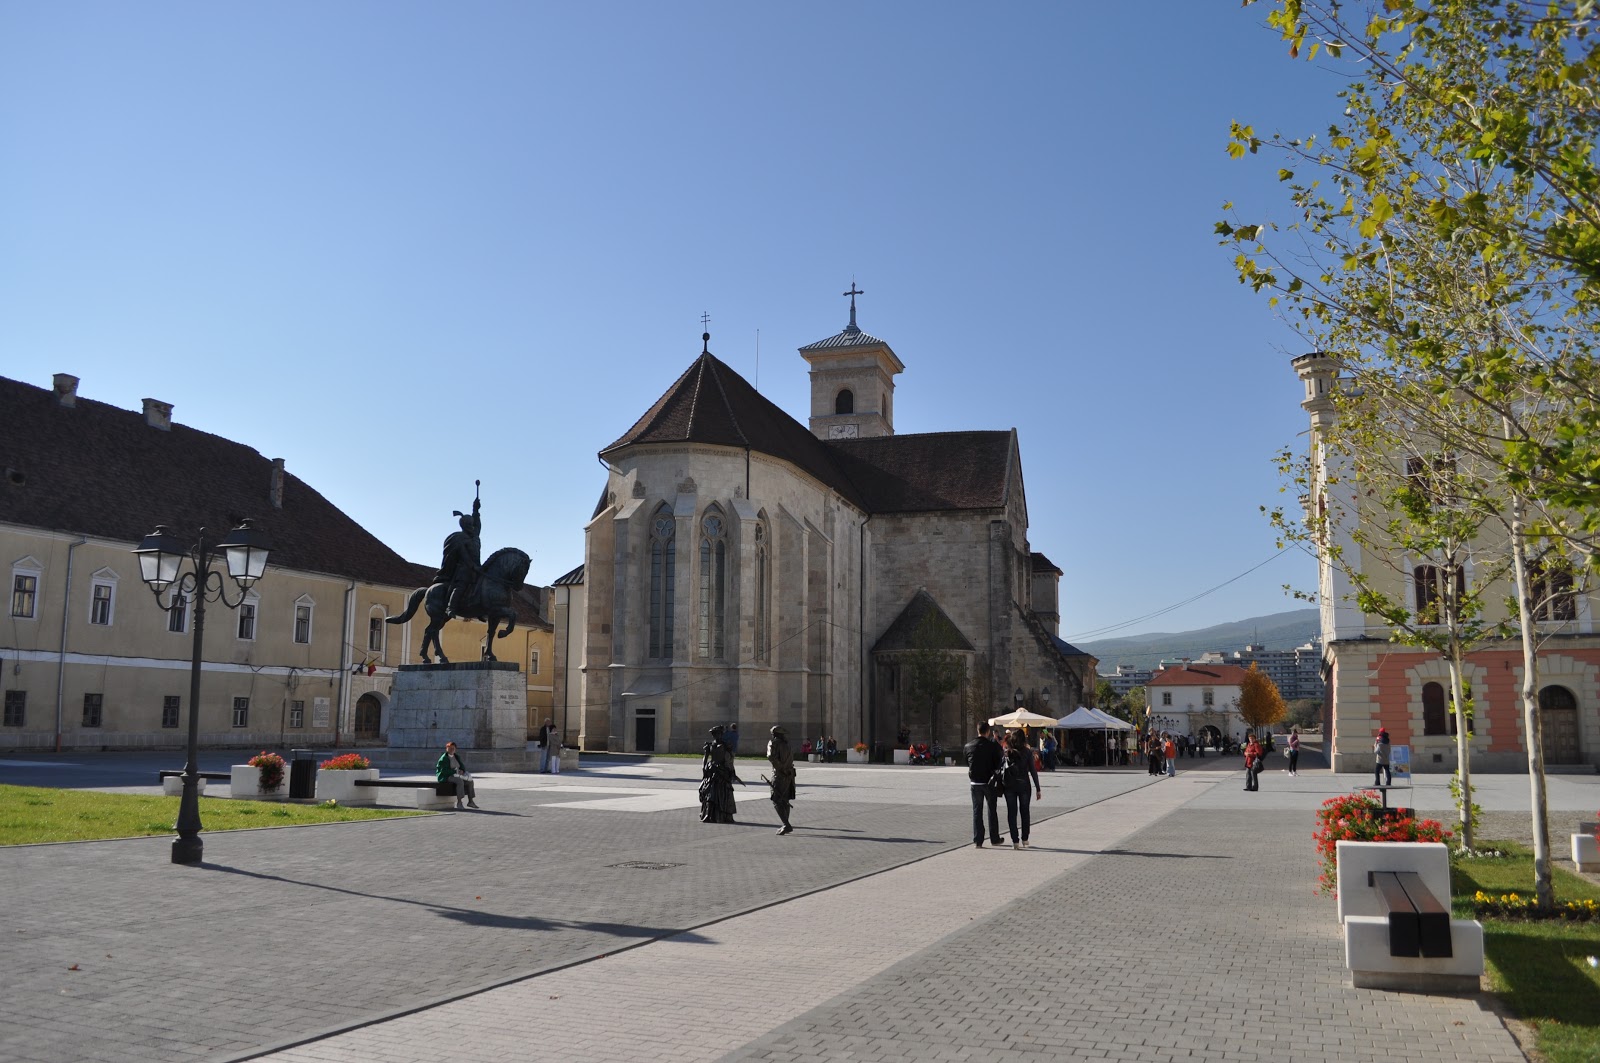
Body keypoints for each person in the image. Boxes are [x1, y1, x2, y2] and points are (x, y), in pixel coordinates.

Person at [434, 492, 482, 619]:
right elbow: (464, 556)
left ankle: (480, 610)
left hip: (477, 568)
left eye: (472, 525)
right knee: (461, 586)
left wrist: (475, 510)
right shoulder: (460, 538)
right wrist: (473, 567)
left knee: (483, 585)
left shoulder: (475, 536)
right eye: (470, 525)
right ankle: (451, 607)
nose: (472, 527)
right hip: (464, 569)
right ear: (465, 526)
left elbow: (478, 523)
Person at [964, 723, 1005, 848]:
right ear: (988, 732)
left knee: (977, 811)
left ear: (978, 731)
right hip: (989, 782)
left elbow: (967, 762)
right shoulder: (993, 746)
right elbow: (999, 761)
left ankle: (978, 840)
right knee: (992, 810)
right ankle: (994, 838)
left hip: (975, 782)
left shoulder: (968, 746)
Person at [1003, 730, 1043, 849]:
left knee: (1012, 813)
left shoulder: (1007, 752)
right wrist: (1038, 788)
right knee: (1025, 812)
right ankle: (1025, 839)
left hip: (1009, 786)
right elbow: (1033, 771)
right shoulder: (1027, 752)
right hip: (1024, 785)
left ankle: (1015, 841)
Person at [698, 725, 739, 823]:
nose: (716, 736)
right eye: (714, 734)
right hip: (711, 770)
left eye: (718, 734)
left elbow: (729, 759)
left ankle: (724, 815)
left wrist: (731, 771)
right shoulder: (710, 745)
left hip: (722, 771)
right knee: (707, 791)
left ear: (721, 734)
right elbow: (705, 757)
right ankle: (708, 814)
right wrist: (704, 768)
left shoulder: (726, 745)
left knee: (722, 793)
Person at [766, 725, 796, 835]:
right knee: (785, 800)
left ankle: (786, 824)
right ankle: (785, 824)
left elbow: (771, 757)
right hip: (789, 774)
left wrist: (780, 768)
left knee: (777, 800)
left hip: (779, 775)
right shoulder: (787, 744)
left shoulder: (773, 743)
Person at [436, 740, 479, 809]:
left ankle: (470, 801)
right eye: (450, 748)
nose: (451, 750)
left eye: (453, 748)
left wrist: (462, 770)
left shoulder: (456, 756)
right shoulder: (443, 758)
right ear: (446, 749)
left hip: (457, 774)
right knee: (459, 781)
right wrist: (454, 771)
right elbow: (443, 771)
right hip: (446, 776)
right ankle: (459, 802)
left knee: (470, 782)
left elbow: (462, 766)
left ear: (455, 749)